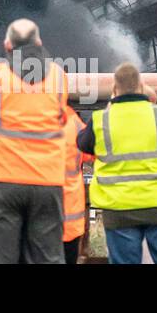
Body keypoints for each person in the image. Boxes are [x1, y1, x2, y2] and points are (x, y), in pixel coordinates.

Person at [0, 18, 69, 264]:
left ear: (7, 44)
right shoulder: (59, 76)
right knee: (48, 257)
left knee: (2, 258)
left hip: (3, 180)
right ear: (39, 42)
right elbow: (61, 115)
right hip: (47, 180)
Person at [79, 62, 157, 264]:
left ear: (114, 89)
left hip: (118, 206)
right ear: (142, 86)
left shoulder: (100, 120)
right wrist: (150, 101)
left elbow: (83, 143)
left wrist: (110, 106)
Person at [61, 105, 91, 265]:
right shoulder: (74, 123)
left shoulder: (19, 118)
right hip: (69, 216)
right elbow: (90, 153)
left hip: (32, 217)